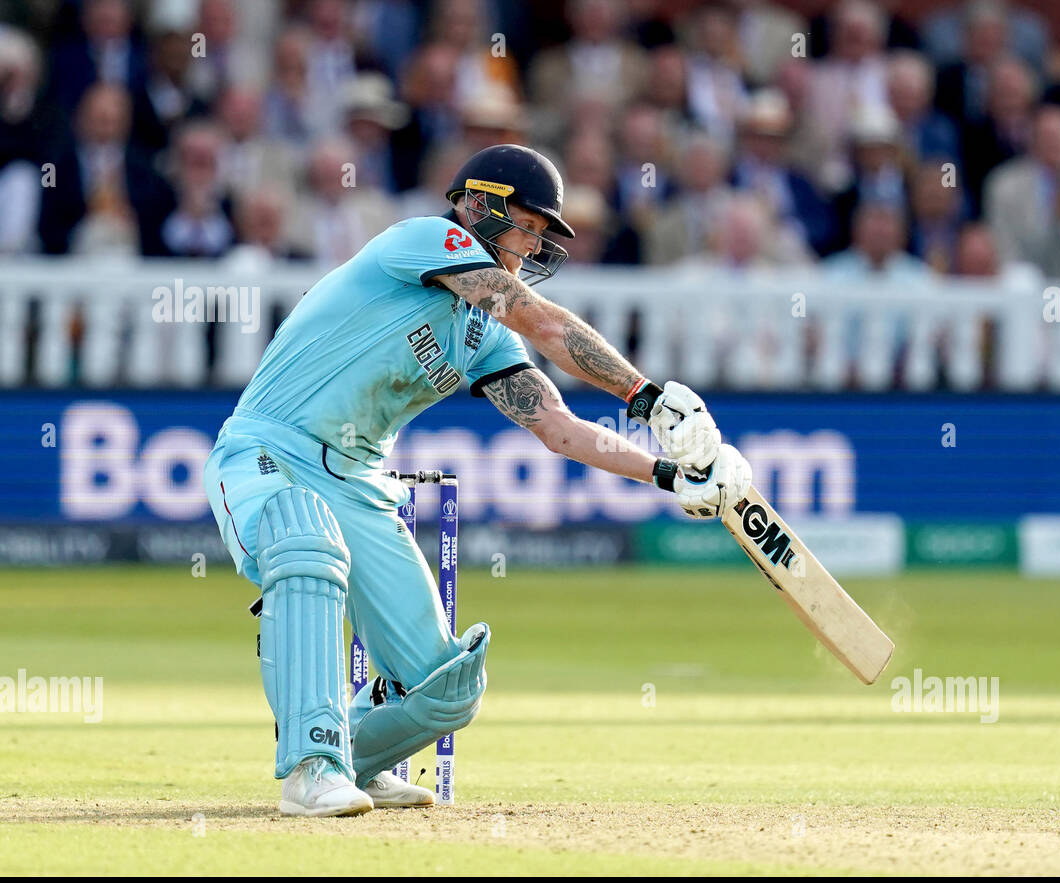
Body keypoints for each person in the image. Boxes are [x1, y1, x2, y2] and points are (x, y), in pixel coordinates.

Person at [202, 144, 751, 817]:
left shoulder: (482, 335)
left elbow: (558, 425)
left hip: (358, 481)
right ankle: (312, 767)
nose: (536, 242)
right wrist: (646, 395)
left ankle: (356, 758)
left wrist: (670, 473)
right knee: (306, 546)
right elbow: (545, 322)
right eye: (529, 223)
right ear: (481, 203)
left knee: (446, 687)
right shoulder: (427, 239)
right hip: (271, 447)